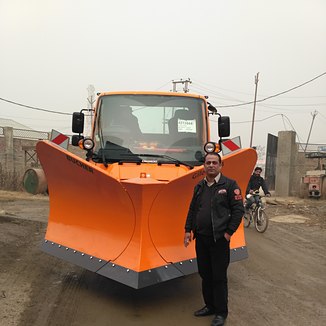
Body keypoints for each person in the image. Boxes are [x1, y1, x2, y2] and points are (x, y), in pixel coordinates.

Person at [184, 152, 244, 326]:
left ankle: (220, 312)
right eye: (208, 162)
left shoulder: (230, 185)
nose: (211, 165)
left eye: (214, 162)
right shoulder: (199, 186)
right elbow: (192, 210)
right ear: (203, 165)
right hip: (201, 239)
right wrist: (188, 230)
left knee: (218, 277)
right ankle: (209, 306)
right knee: (205, 274)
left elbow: (238, 210)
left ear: (220, 165)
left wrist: (228, 232)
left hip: (219, 240)